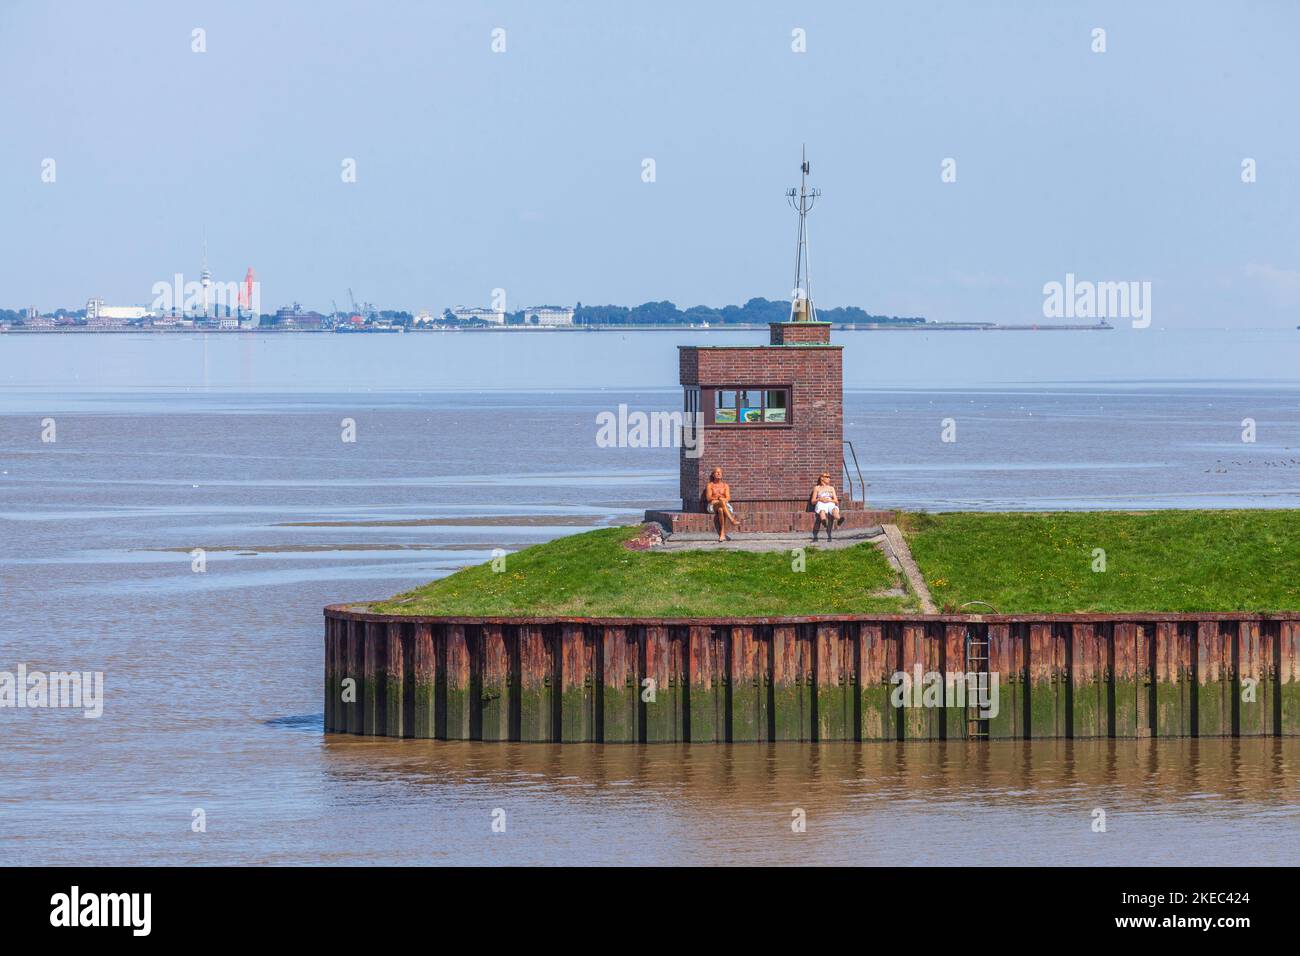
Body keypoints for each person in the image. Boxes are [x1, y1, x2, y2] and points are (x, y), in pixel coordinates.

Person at [705, 467, 740, 542]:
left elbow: (728, 498)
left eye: (720, 472)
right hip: (713, 505)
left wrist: (722, 499)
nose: (718, 474)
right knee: (721, 503)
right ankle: (732, 520)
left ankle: (722, 534)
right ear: (713, 475)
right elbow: (708, 498)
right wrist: (719, 497)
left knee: (721, 509)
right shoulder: (710, 485)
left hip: (723, 505)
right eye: (716, 472)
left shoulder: (725, 485)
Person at [809, 471, 841, 541]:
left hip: (830, 502)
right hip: (821, 502)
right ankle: (824, 522)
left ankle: (839, 519)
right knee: (822, 511)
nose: (829, 478)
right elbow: (813, 501)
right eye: (827, 477)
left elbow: (836, 501)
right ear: (822, 478)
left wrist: (829, 500)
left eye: (830, 477)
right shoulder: (817, 488)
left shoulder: (831, 488)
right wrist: (820, 499)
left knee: (834, 510)